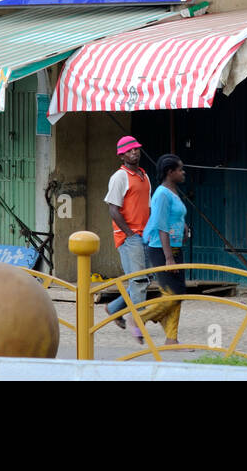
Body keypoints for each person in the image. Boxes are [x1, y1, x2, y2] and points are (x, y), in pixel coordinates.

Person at [103, 135, 151, 344]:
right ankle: (137, 324)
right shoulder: (119, 177)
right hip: (129, 237)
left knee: (141, 280)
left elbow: (147, 207)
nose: (134, 153)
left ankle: (113, 308)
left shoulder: (144, 176)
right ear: (121, 155)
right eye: (130, 151)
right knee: (139, 281)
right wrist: (129, 234)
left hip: (146, 235)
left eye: (136, 149)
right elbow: (113, 209)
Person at [142, 154, 189, 346]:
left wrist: (184, 227)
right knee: (173, 294)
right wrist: (169, 258)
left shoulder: (174, 191)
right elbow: (161, 225)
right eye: (180, 169)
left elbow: (174, 217)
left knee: (177, 294)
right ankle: (139, 318)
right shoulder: (161, 194)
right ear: (170, 172)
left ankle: (172, 340)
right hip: (161, 250)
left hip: (176, 247)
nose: (183, 172)